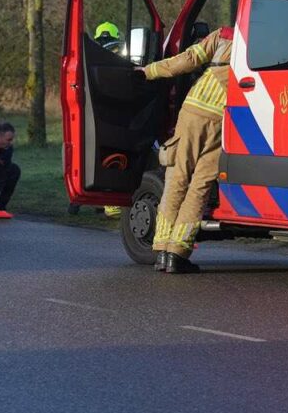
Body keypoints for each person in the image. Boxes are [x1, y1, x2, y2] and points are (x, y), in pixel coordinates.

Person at [140, 26, 231, 273]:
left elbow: (188, 60)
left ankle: (161, 249)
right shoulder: (269, 47)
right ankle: (177, 254)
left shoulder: (224, 34)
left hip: (193, 110)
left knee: (177, 178)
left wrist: (149, 71)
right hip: (224, 119)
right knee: (200, 185)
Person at [94, 20, 126, 219]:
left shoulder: (90, 54)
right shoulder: (120, 55)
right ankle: (111, 204)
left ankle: (101, 201)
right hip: (114, 112)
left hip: (99, 112)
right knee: (114, 155)